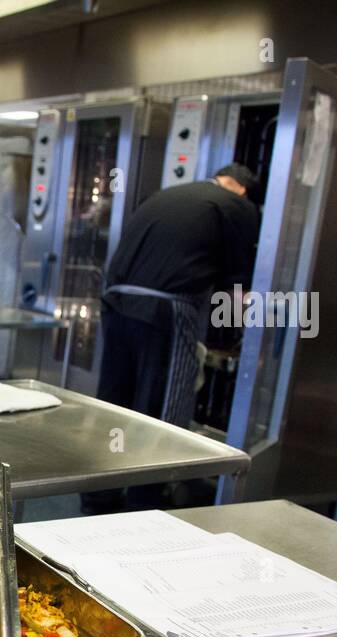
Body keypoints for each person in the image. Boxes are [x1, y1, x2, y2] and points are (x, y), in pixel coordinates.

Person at [81, 162, 261, 514]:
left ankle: (98, 496)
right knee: (163, 406)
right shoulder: (237, 206)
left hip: (116, 303)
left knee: (115, 404)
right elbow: (237, 285)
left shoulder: (168, 194)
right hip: (165, 310)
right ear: (242, 190)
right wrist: (240, 333)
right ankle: (146, 501)